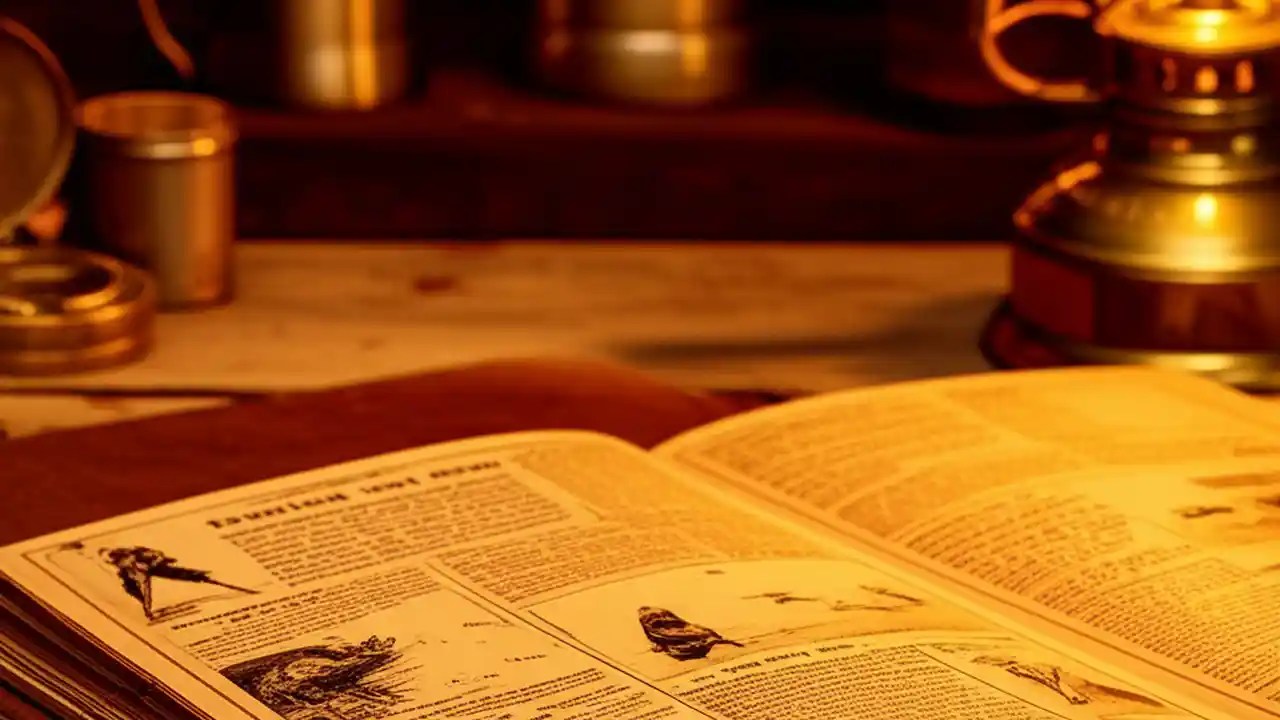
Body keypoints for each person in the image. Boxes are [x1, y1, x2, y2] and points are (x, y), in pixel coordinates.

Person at [100, 546, 256, 620]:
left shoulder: (138, 553)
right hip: (138, 575)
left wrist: (155, 563)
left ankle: (214, 581)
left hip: (152, 568)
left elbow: (157, 554)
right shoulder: (121, 565)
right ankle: (147, 610)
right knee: (140, 591)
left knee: (187, 575)